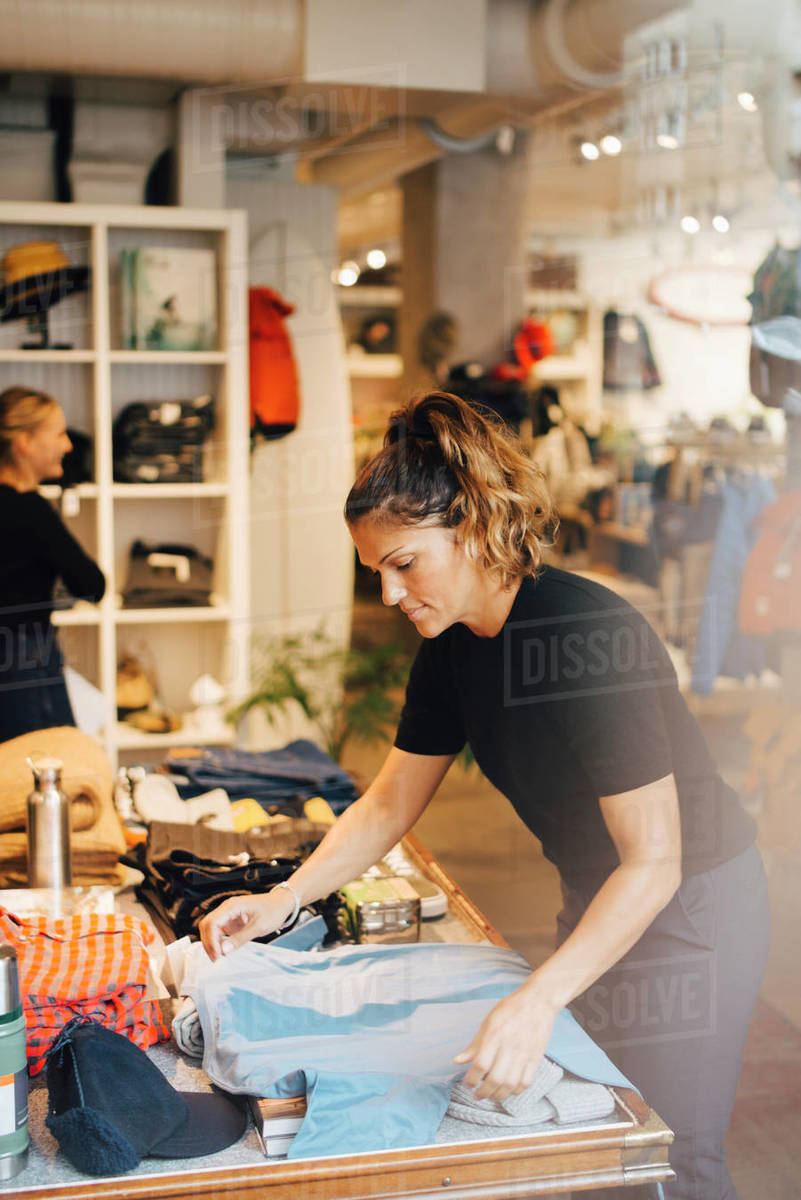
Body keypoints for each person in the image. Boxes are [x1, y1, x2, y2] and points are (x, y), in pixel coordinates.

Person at [200, 391, 769, 1200]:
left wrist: (538, 999)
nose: (389, 594)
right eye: (375, 572)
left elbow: (655, 860)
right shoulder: (452, 647)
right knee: (590, 1130)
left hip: (691, 908)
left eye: (404, 564)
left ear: (470, 528)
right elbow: (388, 804)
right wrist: (282, 899)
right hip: (597, 890)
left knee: (670, 1147)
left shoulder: (582, 637)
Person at [0, 386, 105, 741]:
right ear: (24, 442)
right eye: (59, 433)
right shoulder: (31, 510)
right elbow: (91, 585)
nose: (69, 445)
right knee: (48, 762)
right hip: (24, 663)